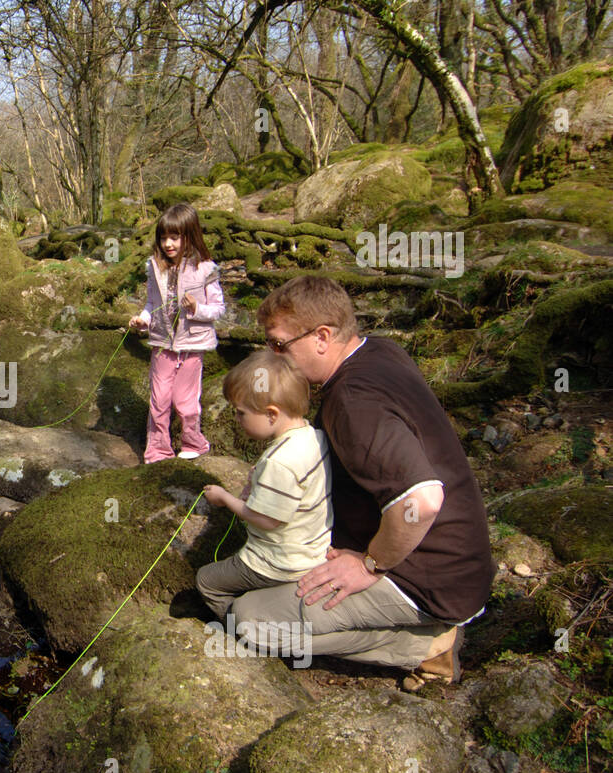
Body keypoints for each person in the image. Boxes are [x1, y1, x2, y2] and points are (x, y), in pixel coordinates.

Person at [237, 275, 492, 689]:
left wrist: (371, 564)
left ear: (322, 336)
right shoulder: (378, 351)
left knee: (249, 620)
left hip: (427, 577)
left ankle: (428, 647)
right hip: (458, 561)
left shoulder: (353, 402)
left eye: (279, 344)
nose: (272, 355)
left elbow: (423, 500)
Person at [195, 351, 332, 638]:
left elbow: (265, 520)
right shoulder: (312, 436)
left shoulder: (279, 463)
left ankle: (240, 631)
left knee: (207, 580)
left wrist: (225, 499)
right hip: (312, 549)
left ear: (271, 413)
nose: (236, 418)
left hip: (279, 560)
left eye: (241, 412)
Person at [128, 203, 225, 463]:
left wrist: (196, 309)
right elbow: (151, 304)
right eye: (163, 238)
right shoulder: (154, 267)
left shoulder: (206, 269)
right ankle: (158, 449)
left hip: (192, 346)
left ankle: (194, 441)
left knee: (185, 401)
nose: (168, 244)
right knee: (159, 400)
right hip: (162, 345)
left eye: (175, 237)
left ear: (189, 235)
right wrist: (143, 320)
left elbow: (218, 309)